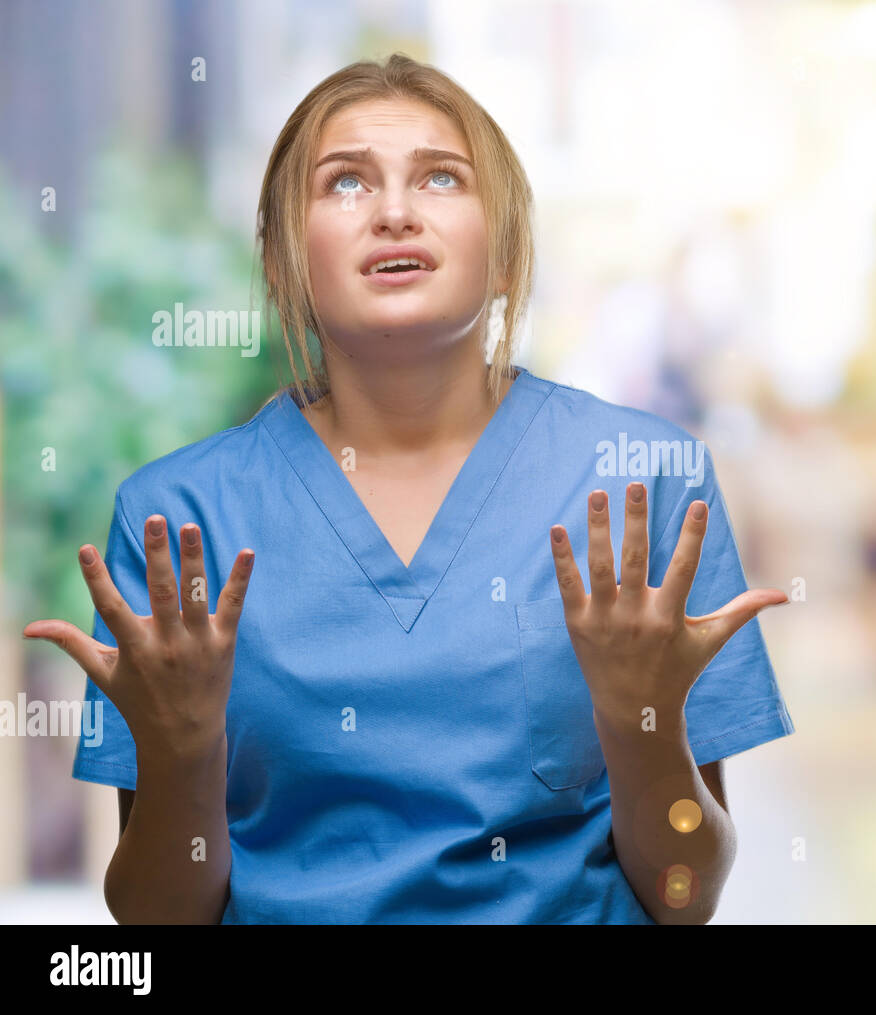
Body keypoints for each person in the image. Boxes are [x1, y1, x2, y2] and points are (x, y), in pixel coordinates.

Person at [22, 54, 794, 925]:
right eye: (346, 182)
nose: (394, 212)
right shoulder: (177, 522)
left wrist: (640, 722)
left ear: (503, 253)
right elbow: (159, 923)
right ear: (283, 261)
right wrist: (185, 751)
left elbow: (685, 893)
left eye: (440, 177)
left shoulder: (646, 484)